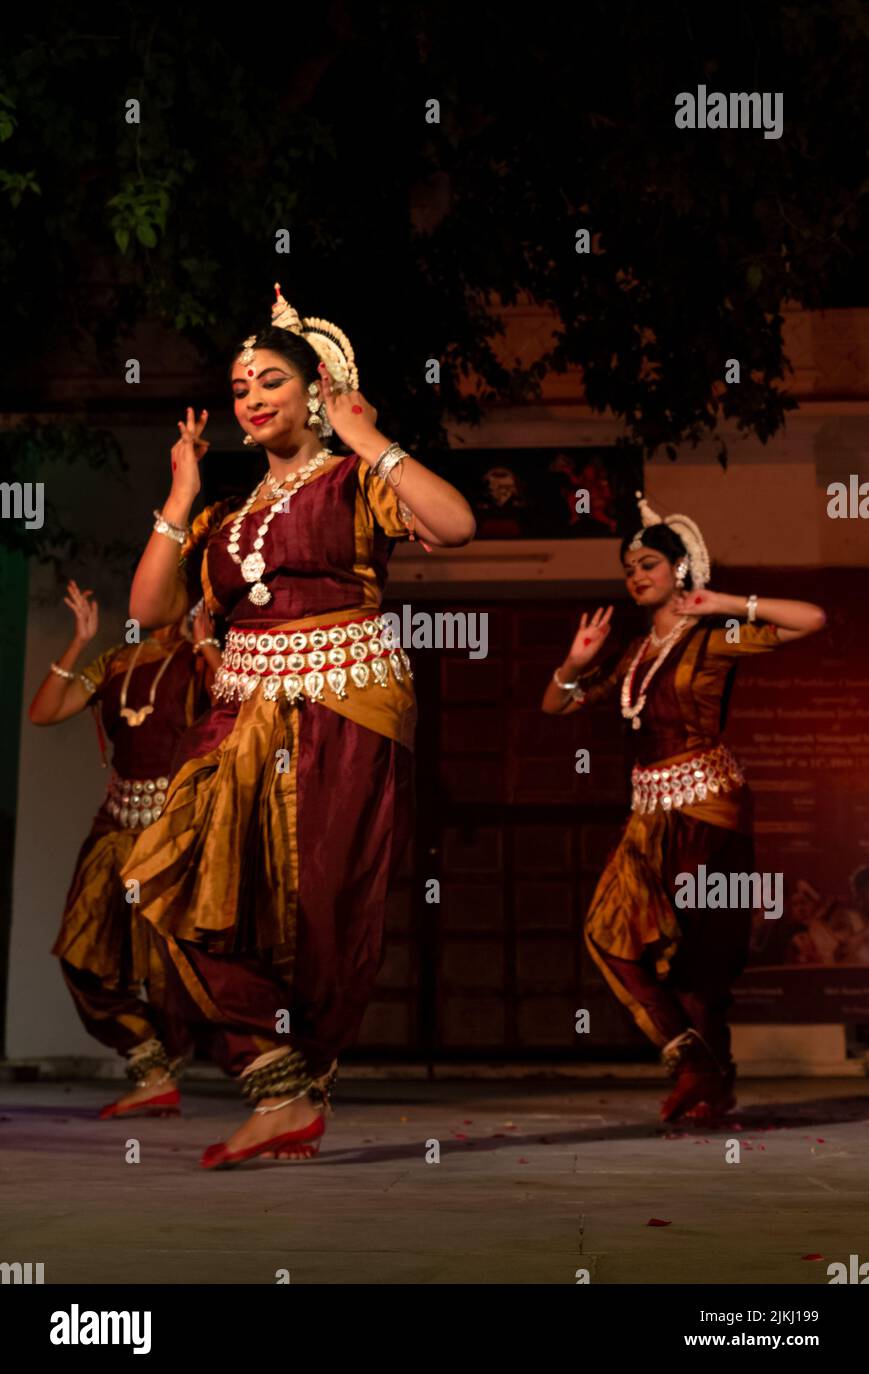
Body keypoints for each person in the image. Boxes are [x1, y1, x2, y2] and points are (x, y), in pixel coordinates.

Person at [122, 284, 475, 1168]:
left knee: (320, 903)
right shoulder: (225, 516)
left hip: (342, 698)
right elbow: (151, 607)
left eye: (270, 379)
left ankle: (294, 1093)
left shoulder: (357, 479)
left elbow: (456, 524)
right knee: (167, 872)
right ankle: (277, 1075)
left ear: (317, 388)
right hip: (240, 709)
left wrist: (365, 436)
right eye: (241, 386)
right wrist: (182, 487)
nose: (250, 397)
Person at [541, 494, 826, 1123]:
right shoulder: (634, 656)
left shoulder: (713, 639)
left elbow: (812, 618)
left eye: (647, 564)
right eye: (629, 568)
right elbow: (555, 706)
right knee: (607, 932)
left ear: (680, 570)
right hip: (650, 815)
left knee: (699, 958)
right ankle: (694, 1061)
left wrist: (727, 603)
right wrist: (575, 663)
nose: (636, 575)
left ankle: (711, 1083)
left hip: (710, 811)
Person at [29, 580, 220, 1118]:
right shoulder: (115, 660)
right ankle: (149, 1064)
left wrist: (206, 642)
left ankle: (266, 1073)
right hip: (114, 825)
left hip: (172, 831)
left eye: (168, 586)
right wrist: (78, 642)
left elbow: (238, 701)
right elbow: (44, 712)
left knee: (171, 964)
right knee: (81, 954)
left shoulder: (198, 659)